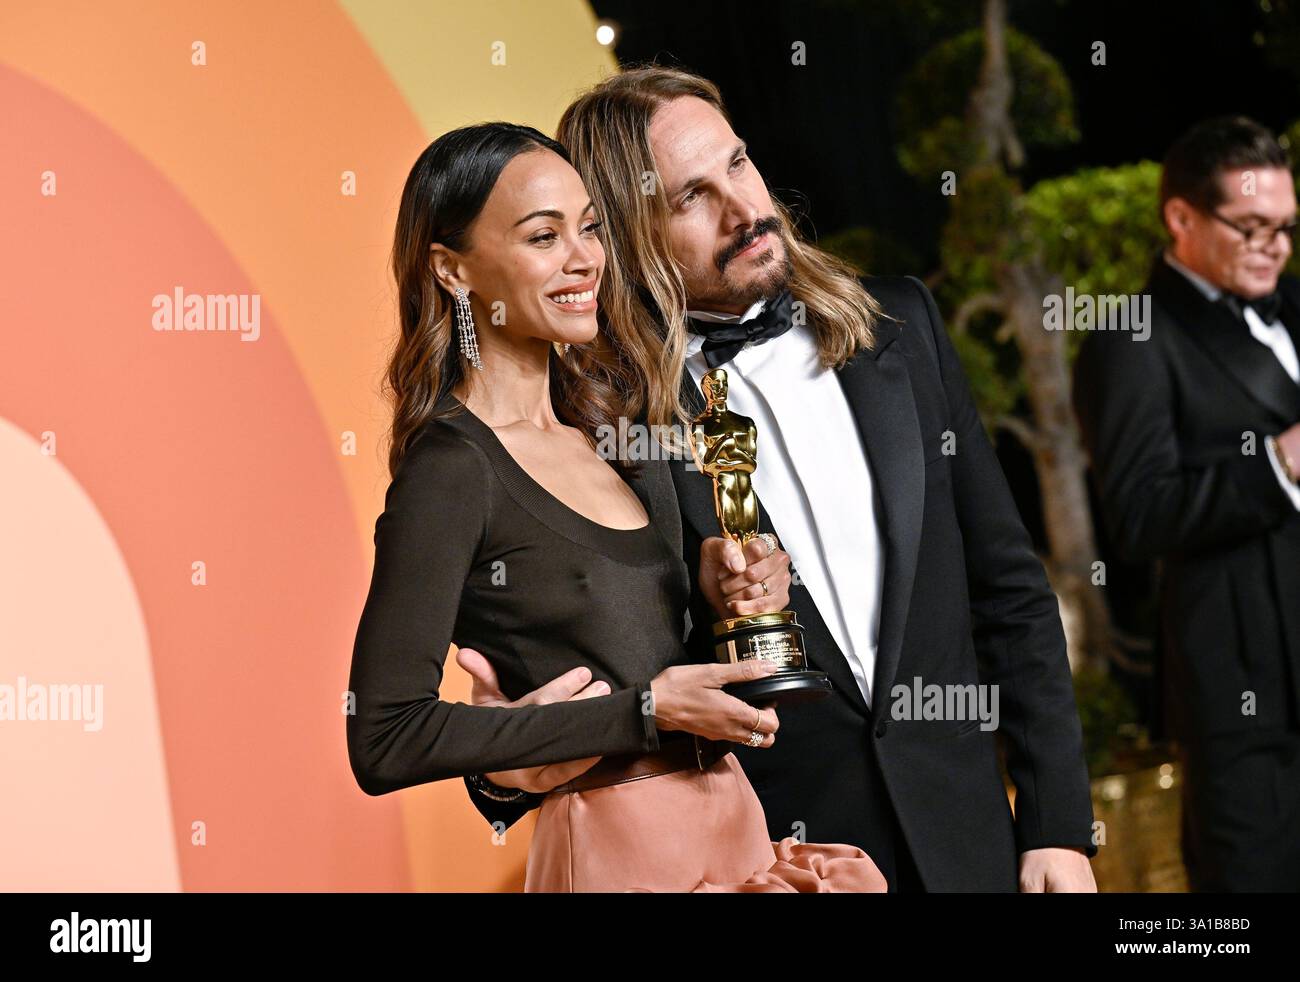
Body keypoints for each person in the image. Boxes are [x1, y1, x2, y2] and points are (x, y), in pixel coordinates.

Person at [459, 66, 1097, 893]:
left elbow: (1008, 591)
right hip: (769, 866)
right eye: (690, 197)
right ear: (619, 235)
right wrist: (501, 766)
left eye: (738, 163)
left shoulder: (900, 329)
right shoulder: (590, 424)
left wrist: (1057, 826)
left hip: (977, 845)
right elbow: (567, 701)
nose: (744, 207)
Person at [345, 121, 887, 892]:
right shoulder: (453, 467)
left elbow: (659, 659)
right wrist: (640, 712)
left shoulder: (618, 432)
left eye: (590, 228)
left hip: (735, 823)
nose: (584, 259)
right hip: (619, 854)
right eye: (543, 237)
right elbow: (384, 734)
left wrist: (728, 602)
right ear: (452, 270)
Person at [1073, 116, 1300, 891]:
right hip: (1246, 696)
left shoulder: (1293, 305)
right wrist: (1278, 464)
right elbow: (1138, 516)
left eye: (1286, 228)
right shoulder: (1132, 336)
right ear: (1182, 218)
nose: (1276, 246)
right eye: (1252, 227)